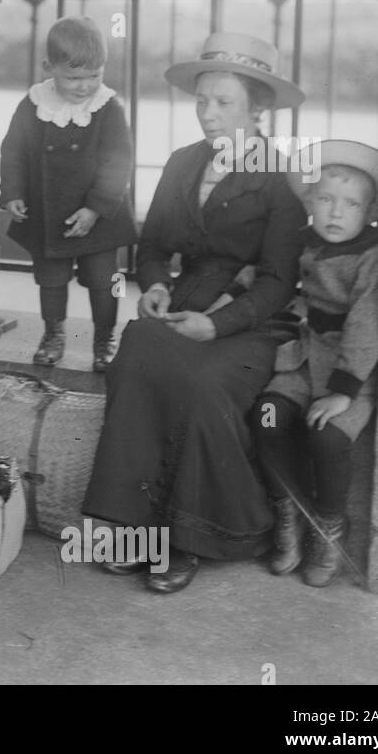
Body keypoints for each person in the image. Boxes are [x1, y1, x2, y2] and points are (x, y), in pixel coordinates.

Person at [81, 32, 308, 593]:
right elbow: (154, 245)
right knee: (135, 355)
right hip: (183, 307)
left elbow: (280, 282)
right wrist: (155, 286)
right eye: (202, 101)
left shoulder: (281, 178)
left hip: (250, 324)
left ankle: (189, 539)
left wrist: (220, 324)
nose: (207, 114)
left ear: (258, 110)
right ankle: (136, 531)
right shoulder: (183, 163)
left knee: (203, 384)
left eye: (223, 103)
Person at [254, 141, 378, 587]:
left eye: (351, 205)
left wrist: (342, 391)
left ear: (369, 213)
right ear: (310, 201)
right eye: (326, 199)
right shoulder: (306, 243)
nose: (336, 213)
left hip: (348, 374)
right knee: (268, 417)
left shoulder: (372, 255)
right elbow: (281, 282)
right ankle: (287, 512)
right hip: (302, 361)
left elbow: (366, 325)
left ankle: (328, 526)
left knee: (328, 438)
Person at [0, 16, 137, 372]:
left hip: (98, 217)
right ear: (49, 68)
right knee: (51, 279)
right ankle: (54, 334)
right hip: (49, 212)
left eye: (94, 76)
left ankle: (104, 339)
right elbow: (13, 150)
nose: (83, 87)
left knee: (103, 282)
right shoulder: (33, 104)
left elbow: (118, 162)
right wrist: (12, 192)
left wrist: (95, 208)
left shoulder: (108, 108)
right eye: (73, 77)